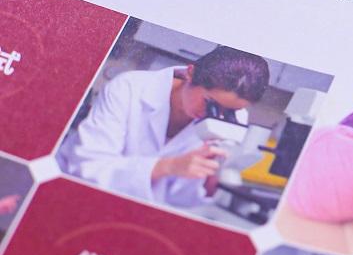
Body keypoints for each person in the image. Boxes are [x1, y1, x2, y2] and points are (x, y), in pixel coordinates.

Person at [57, 46, 270, 207]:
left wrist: (211, 179)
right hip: (71, 195)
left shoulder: (234, 118)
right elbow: (87, 168)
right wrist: (168, 166)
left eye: (230, 111)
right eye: (211, 104)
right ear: (190, 73)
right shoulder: (130, 88)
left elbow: (178, 198)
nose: (216, 116)